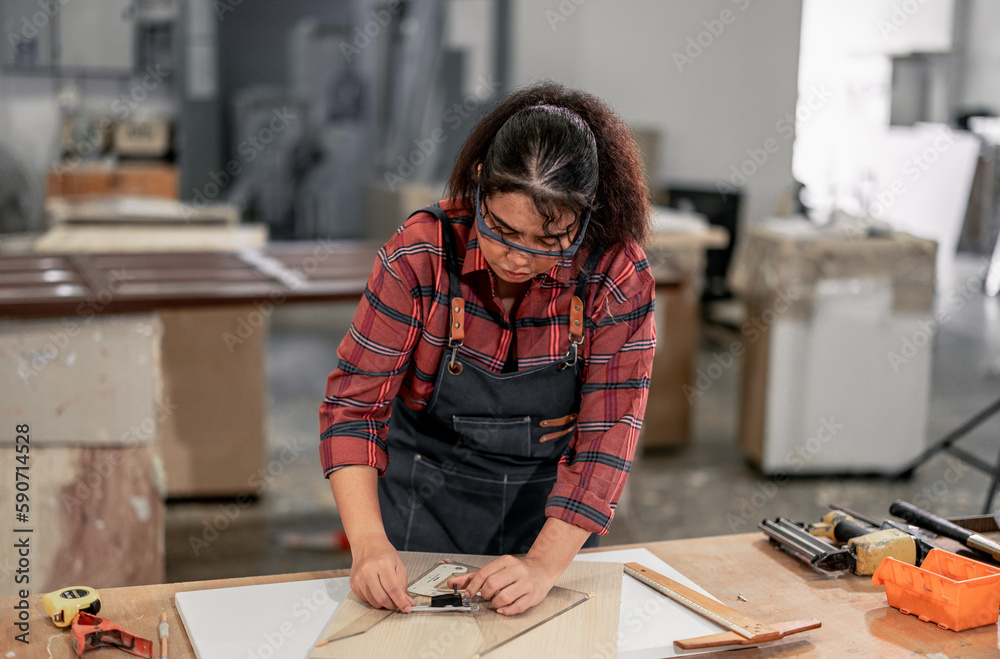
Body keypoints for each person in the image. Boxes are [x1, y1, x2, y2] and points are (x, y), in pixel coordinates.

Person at [319, 82, 656, 617]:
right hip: (424, 496)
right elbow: (352, 411)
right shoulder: (422, 254)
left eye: (550, 241)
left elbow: (608, 439)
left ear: (587, 214)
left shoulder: (615, 274)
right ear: (478, 185)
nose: (519, 259)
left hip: (550, 512)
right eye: (501, 229)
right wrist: (368, 545)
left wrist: (543, 565)